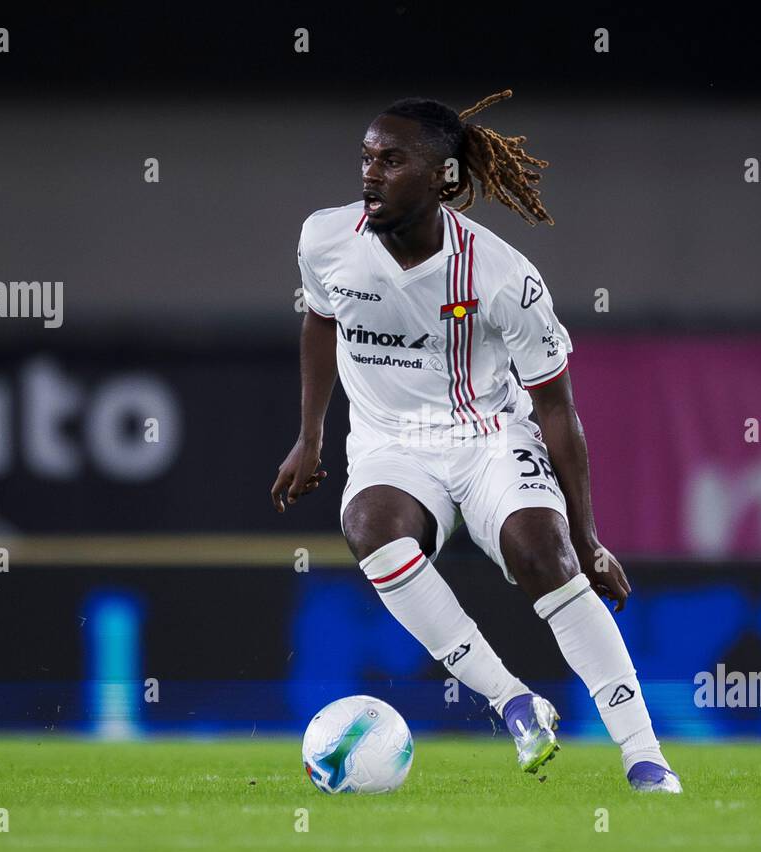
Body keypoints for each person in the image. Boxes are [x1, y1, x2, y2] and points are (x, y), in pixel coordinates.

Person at [272, 90, 681, 792]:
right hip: (390, 443)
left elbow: (557, 409)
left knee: (542, 554)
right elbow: (320, 320)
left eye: (393, 161)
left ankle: (645, 757)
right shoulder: (325, 239)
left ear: (444, 178)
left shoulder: (503, 277)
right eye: (367, 158)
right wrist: (310, 436)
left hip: (487, 436)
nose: (371, 174)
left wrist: (589, 541)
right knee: (370, 527)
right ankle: (515, 702)